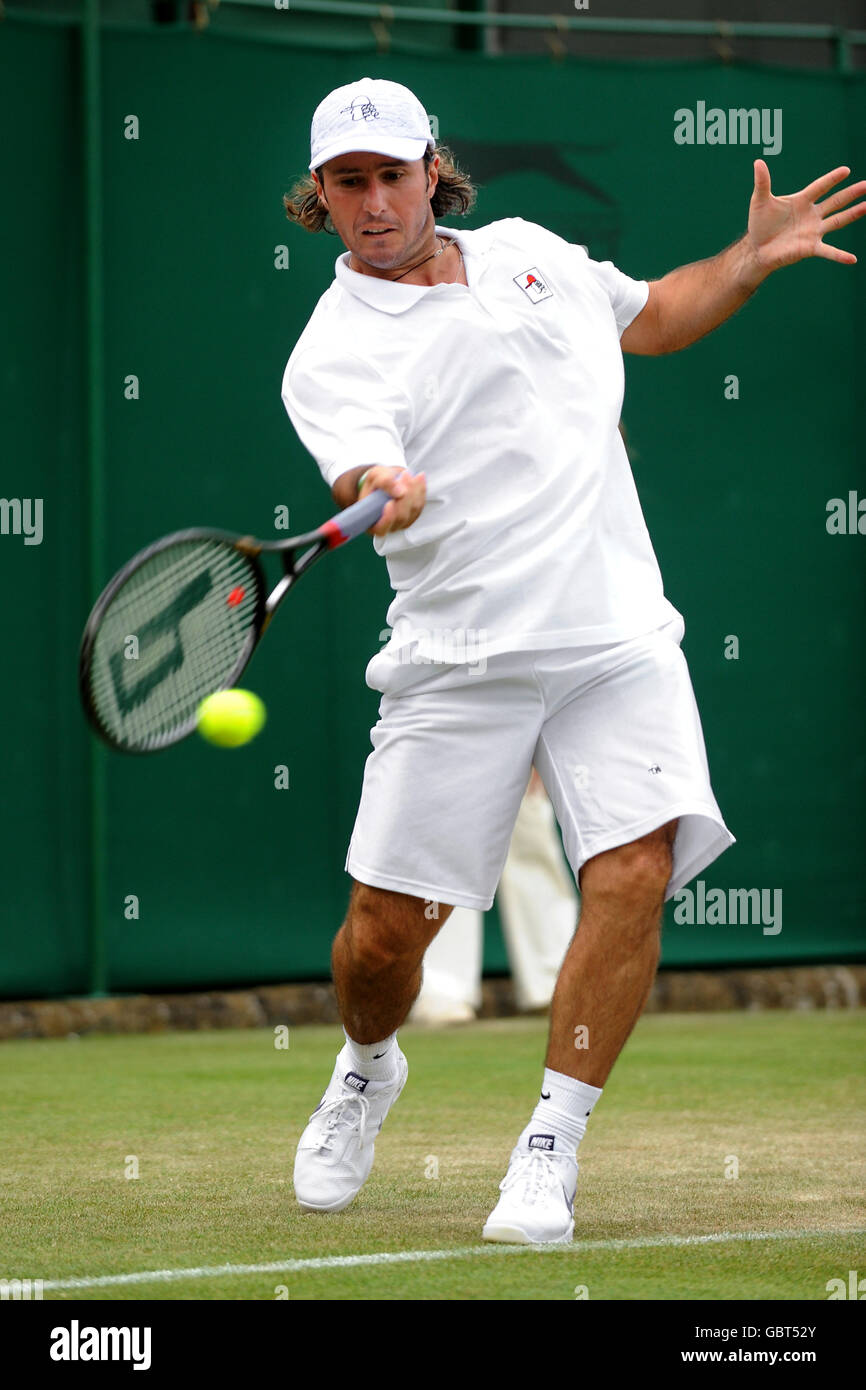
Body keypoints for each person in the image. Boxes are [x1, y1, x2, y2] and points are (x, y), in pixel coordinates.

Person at [280, 77, 864, 1243]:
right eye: (347, 183)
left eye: (391, 175)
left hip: (613, 637)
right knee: (385, 938)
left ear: (430, 169)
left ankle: (548, 1144)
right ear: (322, 199)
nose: (373, 202)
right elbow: (358, 474)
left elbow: (651, 315)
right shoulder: (331, 352)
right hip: (458, 655)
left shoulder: (530, 251)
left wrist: (745, 261)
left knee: (632, 872)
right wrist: (377, 488)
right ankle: (364, 1065)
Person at [410, 768, 578, 1023]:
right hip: (448, 739)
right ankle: (444, 989)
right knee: (450, 837)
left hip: (519, 731)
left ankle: (555, 981)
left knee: (530, 827)